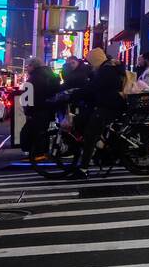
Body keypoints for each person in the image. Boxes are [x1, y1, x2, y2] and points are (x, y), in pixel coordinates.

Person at [69, 47, 124, 177]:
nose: (90, 65)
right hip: (109, 104)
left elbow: (93, 87)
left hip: (109, 106)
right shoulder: (107, 68)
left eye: (90, 62)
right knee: (90, 126)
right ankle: (102, 153)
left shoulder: (106, 70)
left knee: (90, 134)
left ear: (95, 60)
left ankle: (83, 169)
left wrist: (75, 94)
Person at [20, 57, 60, 161]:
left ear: (33, 66)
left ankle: (38, 154)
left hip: (37, 109)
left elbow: (29, 96)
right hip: (47, 108)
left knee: (33, 132)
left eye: (28, 66)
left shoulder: (35, 78)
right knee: (41, 131)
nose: (27, 68)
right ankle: (40, 153)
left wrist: (27, 110)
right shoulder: (49, 75)